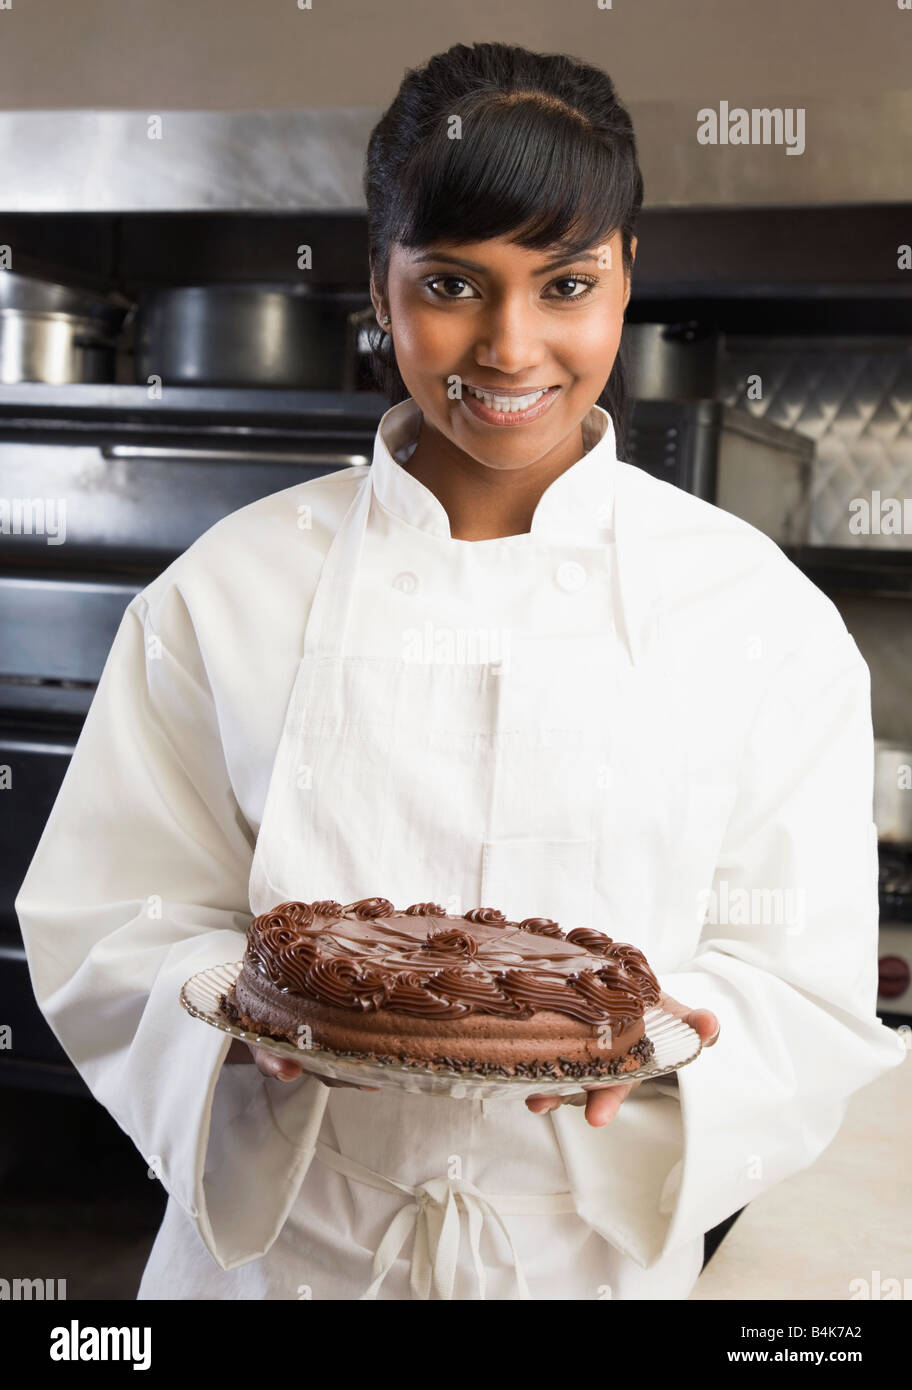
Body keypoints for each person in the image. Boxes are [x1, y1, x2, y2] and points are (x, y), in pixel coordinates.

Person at [15, 41, 904, 1301]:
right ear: (378, 286)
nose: (510, 346)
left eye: (566, 284)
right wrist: (233, 1040)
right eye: (451, 282)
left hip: (577, 1263)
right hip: (282, 1257)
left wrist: (664, 1061)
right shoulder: (228, 589)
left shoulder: (755, 614)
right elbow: (112, 918)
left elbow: (803, 986)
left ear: (626, 279)